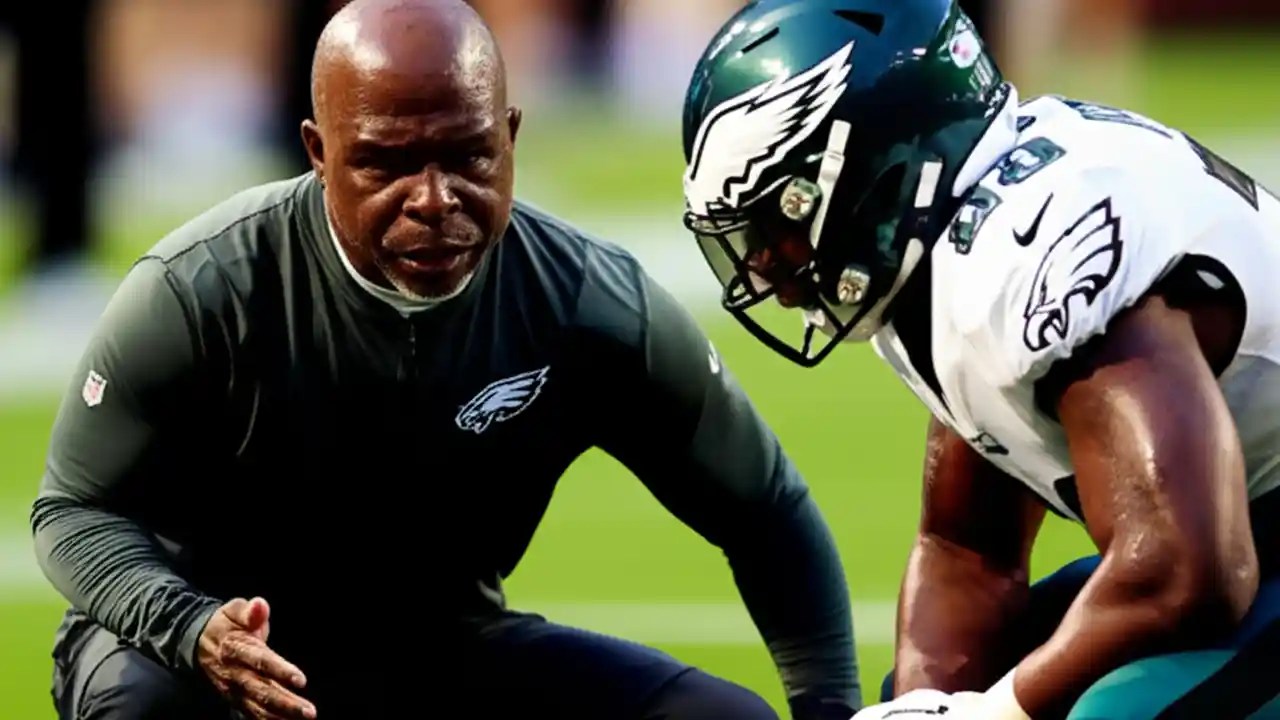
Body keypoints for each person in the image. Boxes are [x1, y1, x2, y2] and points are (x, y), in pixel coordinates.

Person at [28, 1, 864, 718]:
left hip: (437, 648)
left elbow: (767, 514)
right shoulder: (204, 288)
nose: (433, 201)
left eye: (467, 156)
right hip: (206, 656)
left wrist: (829, 709)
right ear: (320, 153)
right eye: (386, 163)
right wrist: (188, 627)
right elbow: (72, 511)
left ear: (509, 136)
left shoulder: (587, 301)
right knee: (137, 703)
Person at [679, 0, 1280, 718]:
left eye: (785, 216)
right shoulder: (947, 255)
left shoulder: (1028, 247)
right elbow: (970, 550)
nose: (769, 267)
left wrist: (998, 712)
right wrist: (926, 702)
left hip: (1224, 552)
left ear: (876, 158)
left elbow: (1189, 574)